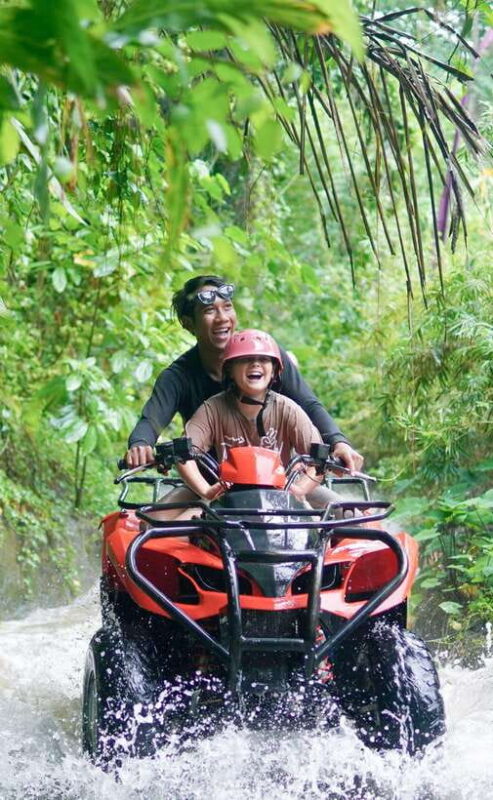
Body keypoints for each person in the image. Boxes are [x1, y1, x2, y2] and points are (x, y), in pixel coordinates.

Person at [125, 275, 363, 472]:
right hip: (212, 486)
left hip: (280, 482)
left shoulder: (267, 355)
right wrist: (141, 444)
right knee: (157, 523)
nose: (222, 318)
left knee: (350, 518)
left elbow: (309, 404)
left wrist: (337, 441)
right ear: (189, 323)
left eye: (227, 307)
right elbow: (151, 420)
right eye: (210, 311)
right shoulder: (179, 377)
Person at [177, 329, 333, 506]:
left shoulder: (288, 408)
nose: (255, 364)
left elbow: (319, 460)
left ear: (274, 370)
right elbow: (184, 454)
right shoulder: (212, 409)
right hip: (228, 498)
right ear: (230, 370)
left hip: (284, 493)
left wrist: (298, 490)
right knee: (156, 520)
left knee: (351, 514)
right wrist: (205, 490)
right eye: (245, 359)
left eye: (264, 359)